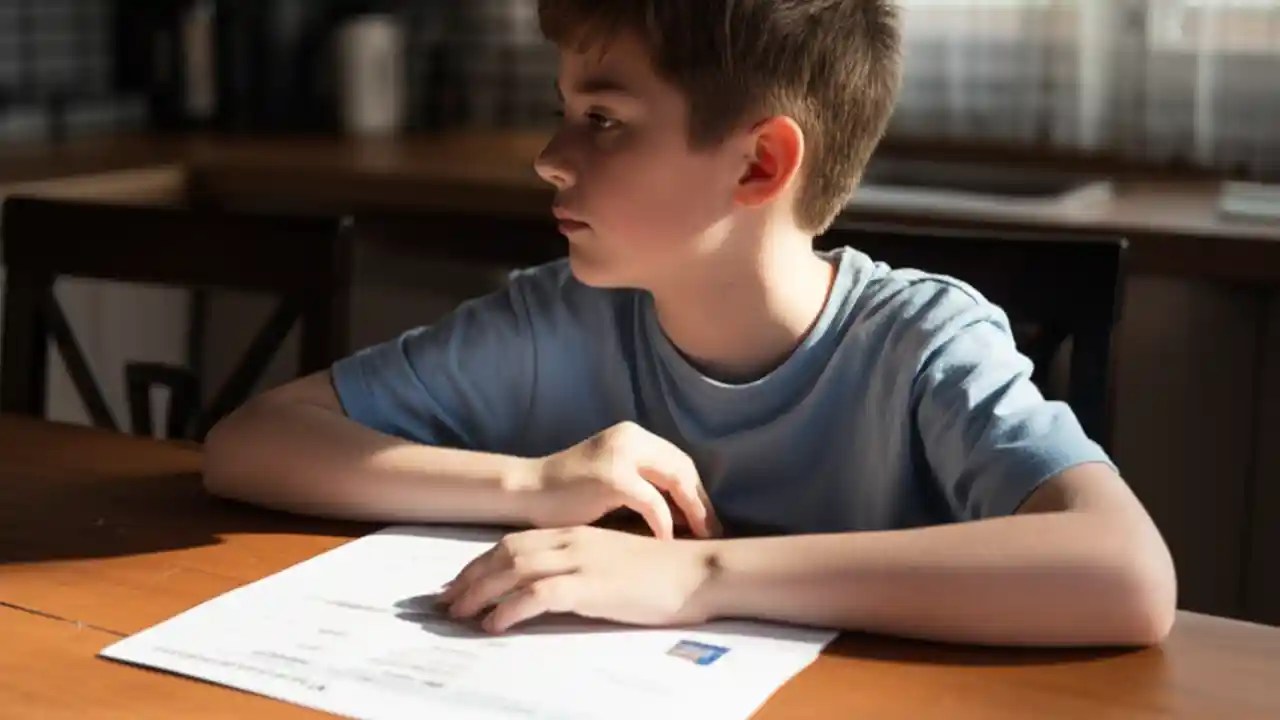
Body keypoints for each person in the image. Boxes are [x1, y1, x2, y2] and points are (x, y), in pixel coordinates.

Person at [205, 0, 1176, 647]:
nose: (547, 155)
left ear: (757, 164)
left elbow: (1124, 573)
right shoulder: (554, 318)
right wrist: (533, 483)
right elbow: (250, 444)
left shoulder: (922, 344)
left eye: (604, 120)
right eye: (563, 111)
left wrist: (698, 576)